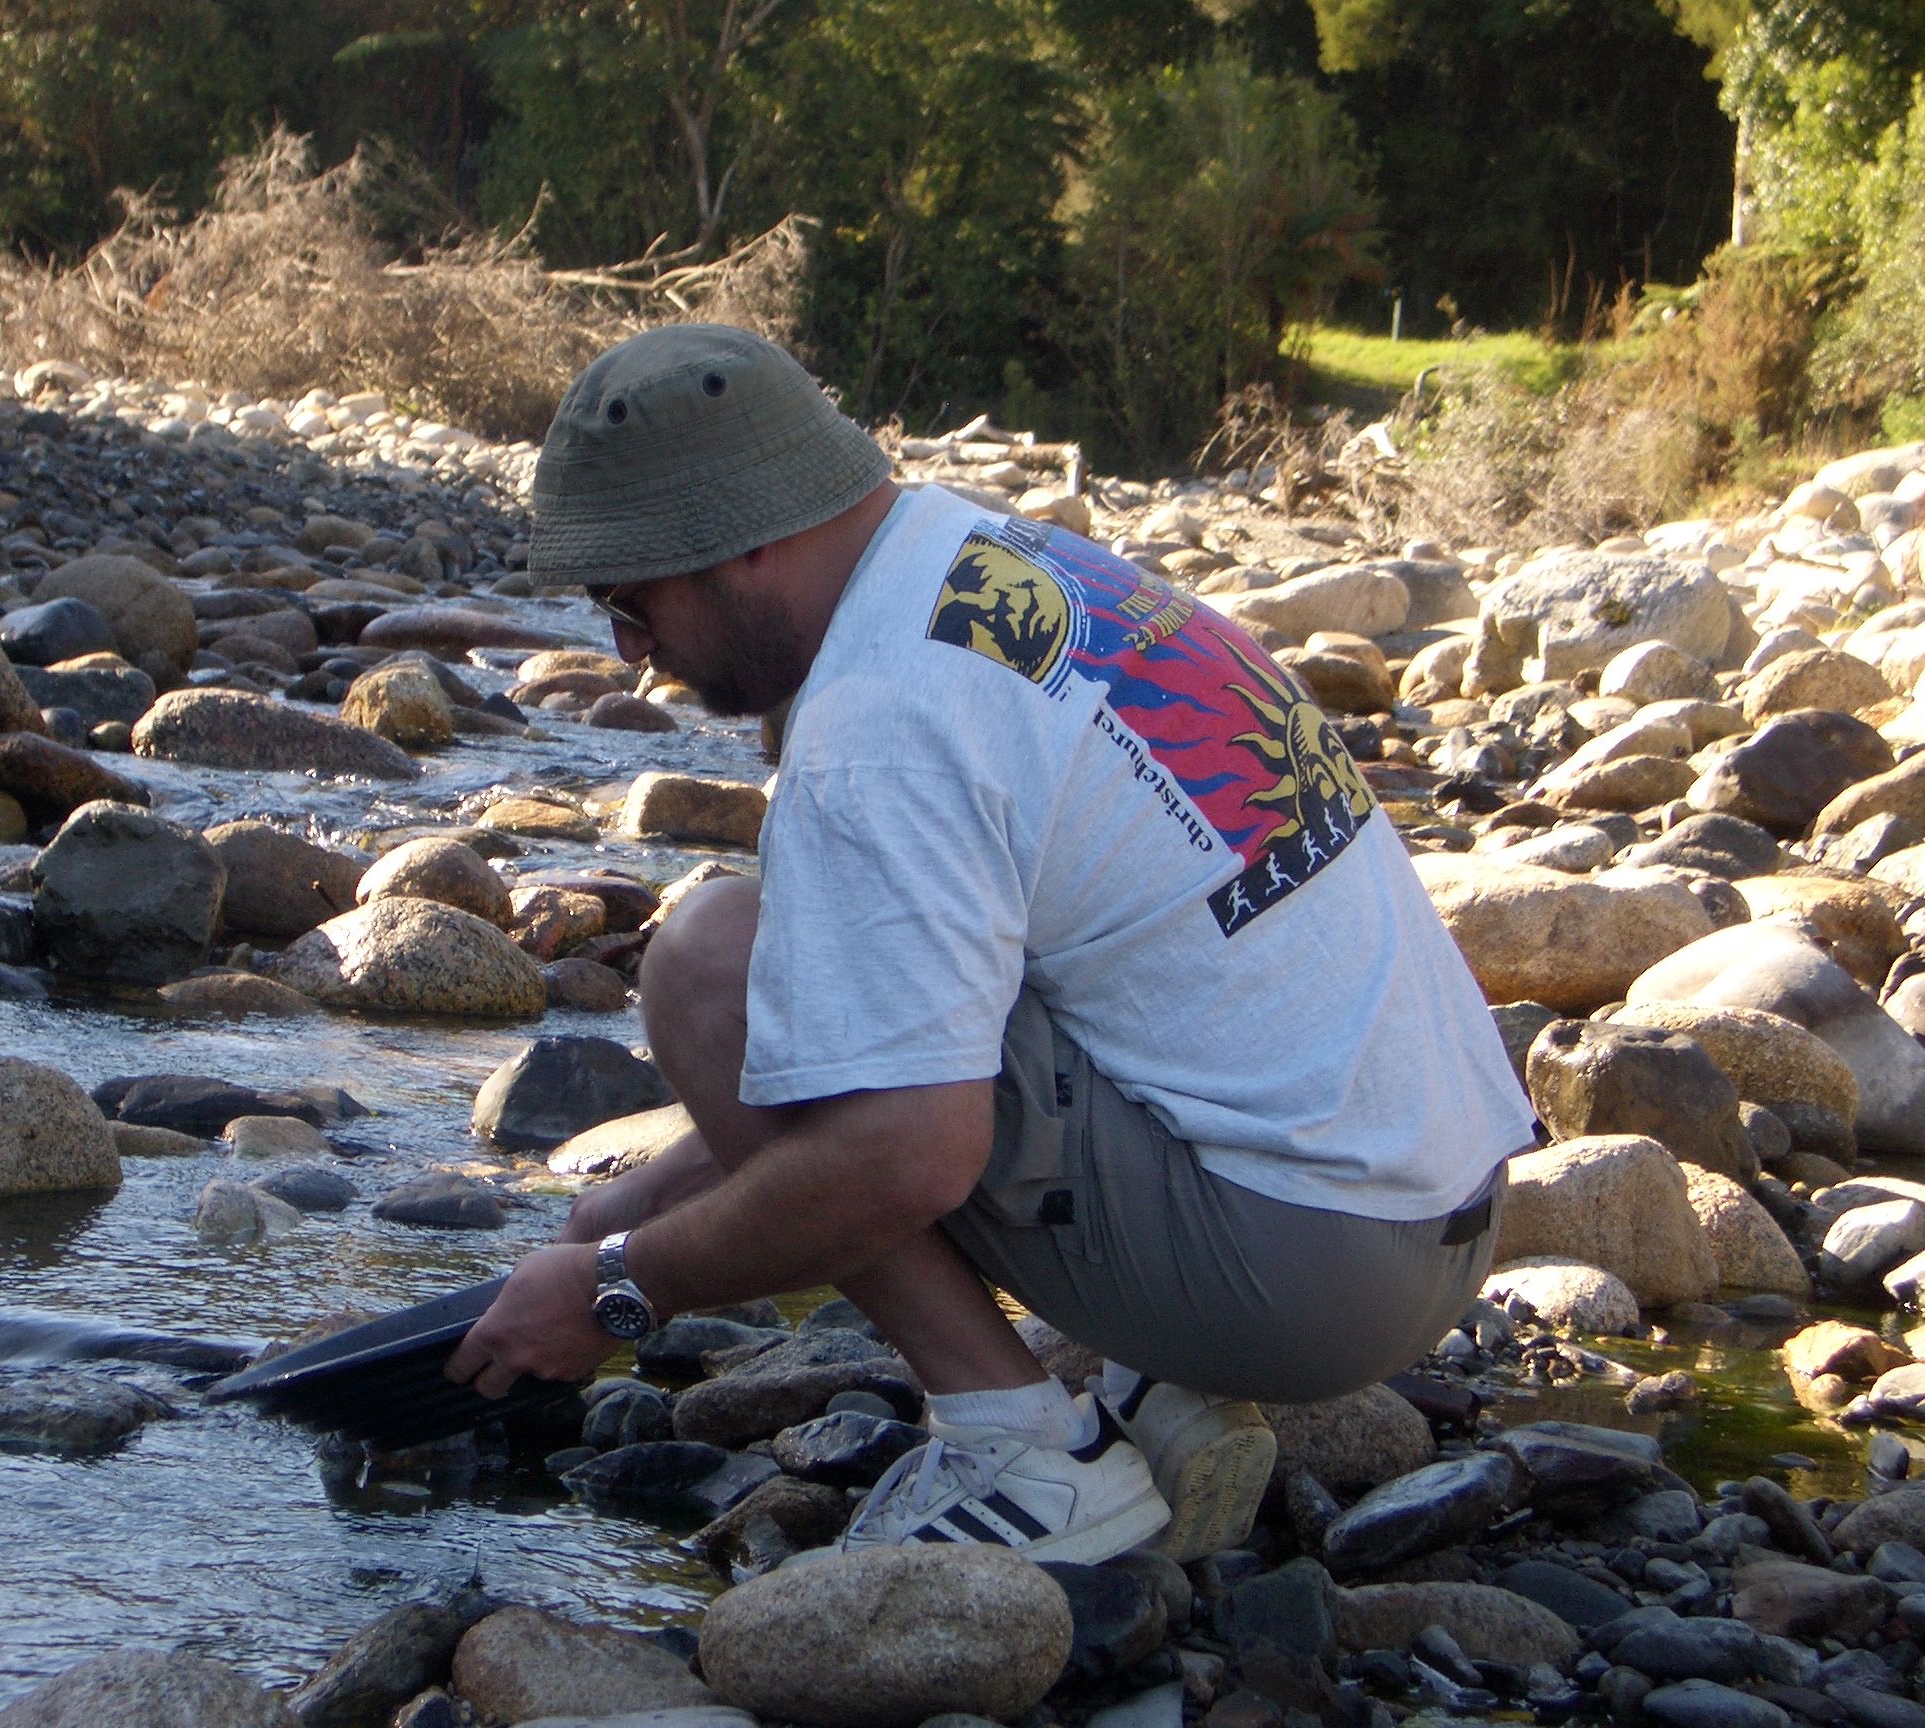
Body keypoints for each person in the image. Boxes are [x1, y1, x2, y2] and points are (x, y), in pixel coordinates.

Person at [445, 324, 1534, 1565]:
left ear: (741, 535)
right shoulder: (992, 559)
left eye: (627, 601)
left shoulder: (881, 719)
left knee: (711, 961)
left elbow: (908, 1150)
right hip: (1435, 1211)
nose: (626, 653)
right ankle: (1149, 1393)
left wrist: (621, 1291)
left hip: (1308, 1278)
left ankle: (1028, 1453)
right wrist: (628, 1214)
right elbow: (915, 1005)